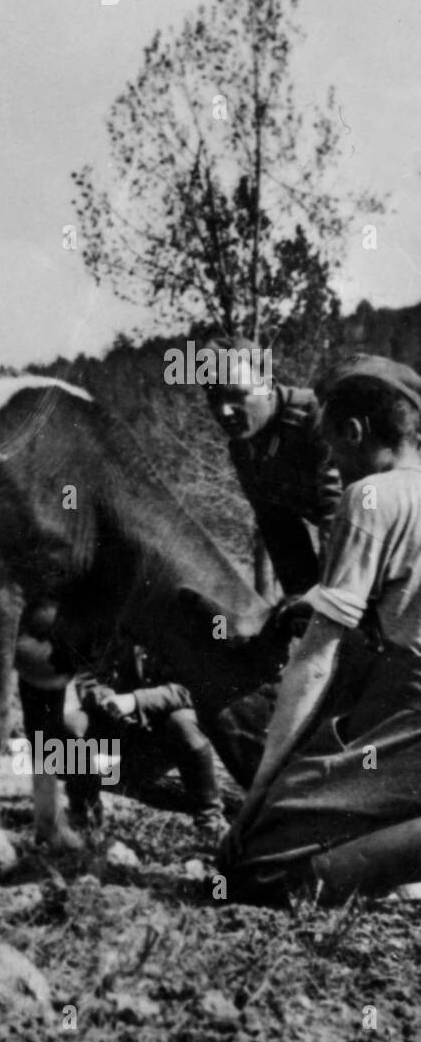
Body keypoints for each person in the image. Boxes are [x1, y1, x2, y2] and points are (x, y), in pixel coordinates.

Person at [220, 355, 421, 903]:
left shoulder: (372, 497)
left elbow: (315, 660)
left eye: (332, 445)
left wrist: (261, 791)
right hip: (399, 687)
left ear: (355, 431)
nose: (329, 459)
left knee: (255, 868)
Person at [200, 337, 342, 597]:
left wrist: (332, 601)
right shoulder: (243, 449)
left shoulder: (315, 417)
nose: (224, 411)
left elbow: (342, 516)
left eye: (236, 395)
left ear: (267, 385)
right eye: (213, 398)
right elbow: (278, 530)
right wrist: (303, 599)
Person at [61, 645, 229, 846]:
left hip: (164, 732)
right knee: (72, 726)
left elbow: (190, 688)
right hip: (120, 725)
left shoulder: (180, 628)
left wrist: (134, 701)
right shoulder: (124, 624)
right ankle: (85, 815)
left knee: (182, 722)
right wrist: (102, 696)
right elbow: (89, 674)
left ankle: (210, 823)